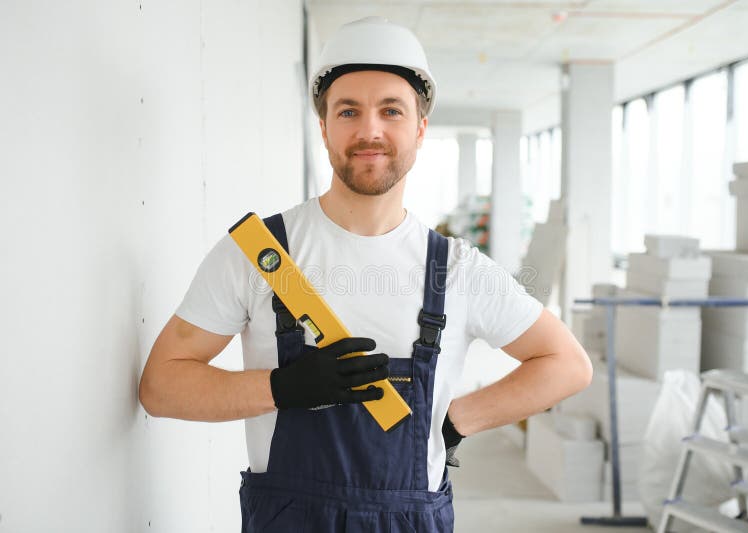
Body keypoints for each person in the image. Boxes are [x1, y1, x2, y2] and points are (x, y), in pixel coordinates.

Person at [139, 16, 592, 533]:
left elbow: (567, 364)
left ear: (420, 129)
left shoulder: (457, 270)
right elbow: (162, 386)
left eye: (391, 111)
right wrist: (281, 388)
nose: (369, 130)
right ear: (324, 126)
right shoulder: (261, 255)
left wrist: (454, 422)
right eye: (348, 110)